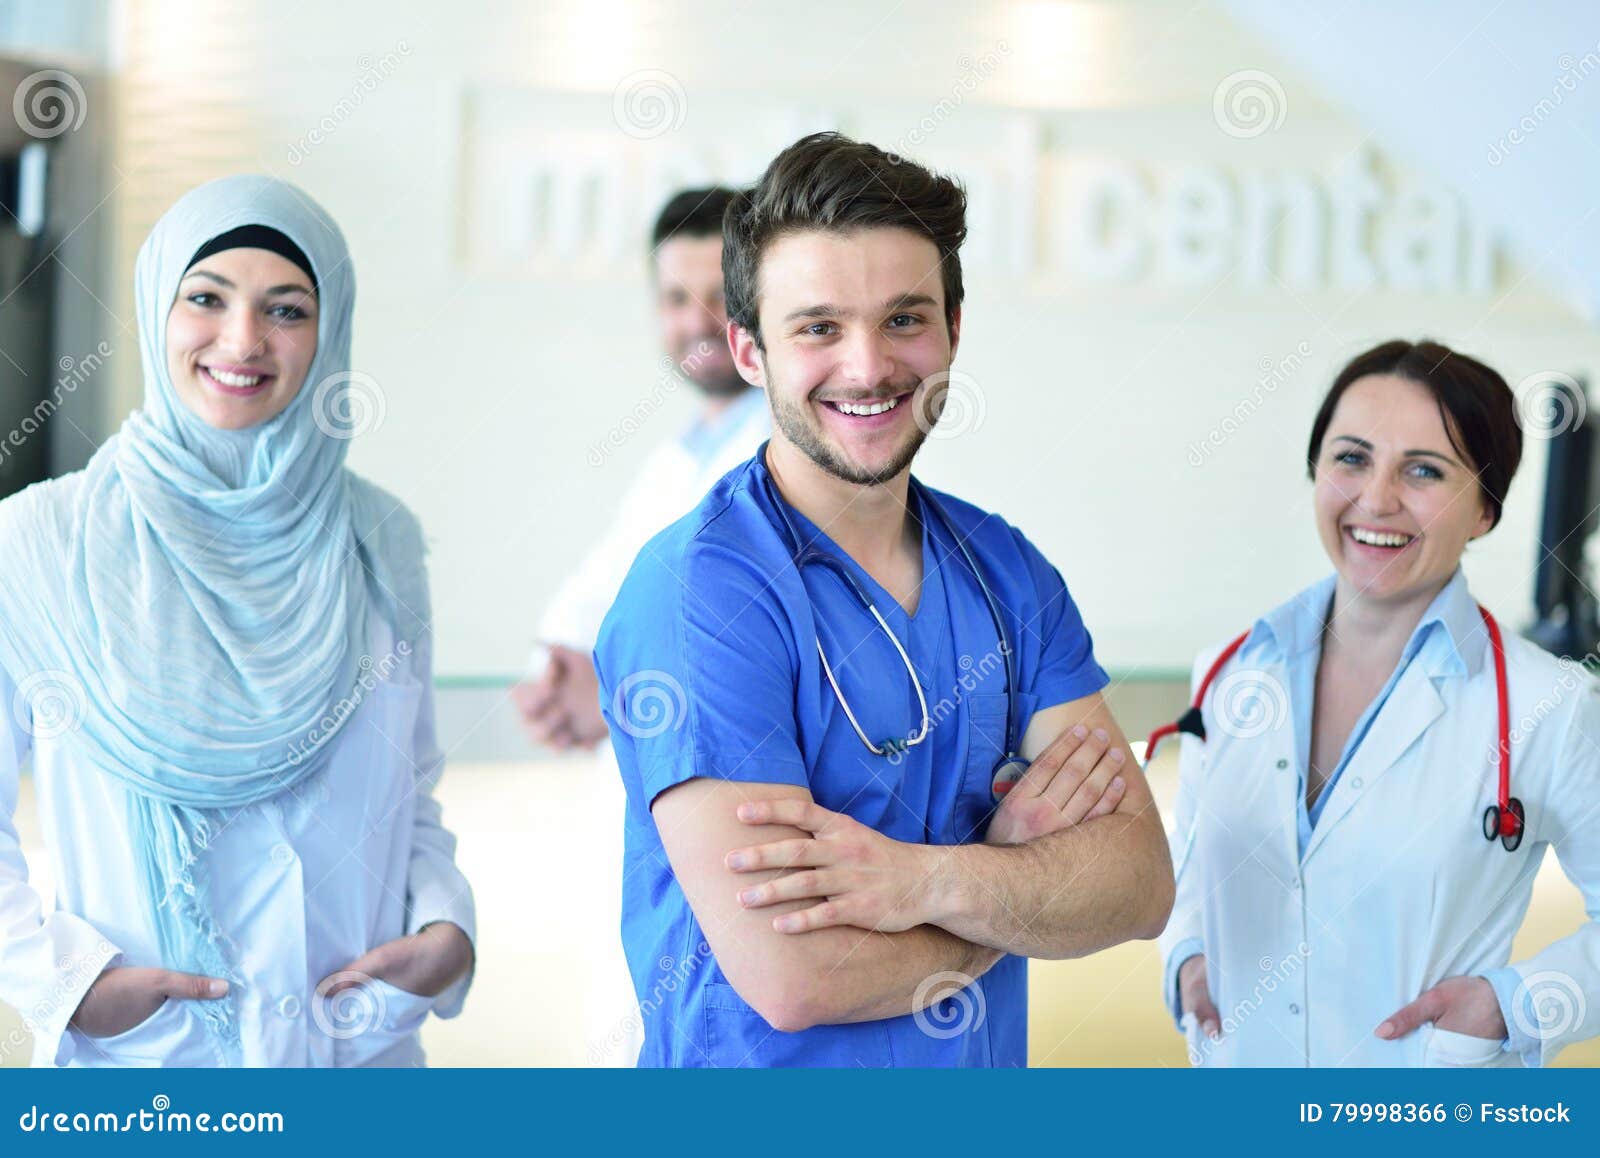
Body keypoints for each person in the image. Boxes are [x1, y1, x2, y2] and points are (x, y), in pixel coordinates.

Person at [594, 132, 1174, 1068]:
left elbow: (1140, 884)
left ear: (954, 328)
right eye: (818, 327)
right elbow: (796, 978)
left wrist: (922, 880)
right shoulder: (699, 594)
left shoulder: (1007, 572)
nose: (869, 368)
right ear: (749, 350)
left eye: (904, 319)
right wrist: (1012, 893)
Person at [0, 175, 476, 1067]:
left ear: (329, 335)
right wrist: (64, 983)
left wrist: (447, 928)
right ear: (155, 312)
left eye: (287, 309)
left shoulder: (379, 537)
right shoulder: (37, 541)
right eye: (206, 298)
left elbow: (414, 792)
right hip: (151, 1071)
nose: (243, 339)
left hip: (355, 1059)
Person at [1159, 339, 1600, 1067]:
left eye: (1424, 470)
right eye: (1352, 458)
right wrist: (1188, 958)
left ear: (1485, 508)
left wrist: (1513, 1004)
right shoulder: (1230, 674)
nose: (1377, 498)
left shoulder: (1547, 705)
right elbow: (1191, 864)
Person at [514, 187, 769, 750]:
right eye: (678, 298)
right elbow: (598, 585)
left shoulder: (789, 449)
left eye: (722, 296)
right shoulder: (673, 460)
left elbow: (743, 632)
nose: (699, 321)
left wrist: (613, 694)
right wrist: (554, 677)